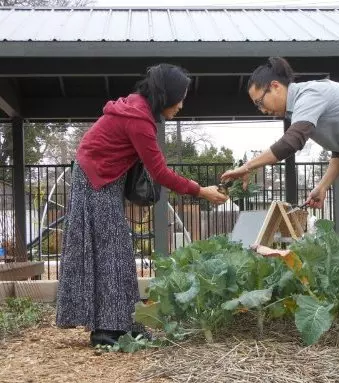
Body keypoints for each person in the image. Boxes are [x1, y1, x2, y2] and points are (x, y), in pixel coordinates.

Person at [56, 63, 228, 346]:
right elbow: (160, 173)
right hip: (96, 179)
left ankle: (122, 323)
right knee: (111, 250)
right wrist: (201, 191)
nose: (182, 104)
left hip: (103, 177)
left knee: (117, 248)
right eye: (180, 97)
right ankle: (105, 331)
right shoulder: (138, 118)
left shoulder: (138, 111)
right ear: (167, 94)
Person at [221, 57, 339, 266]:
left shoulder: (309, 95)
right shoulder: (303, 107)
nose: (262, 110)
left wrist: (248, 166)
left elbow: (291, 143)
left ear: (275, 86)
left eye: (260, 102)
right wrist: (322, 187)